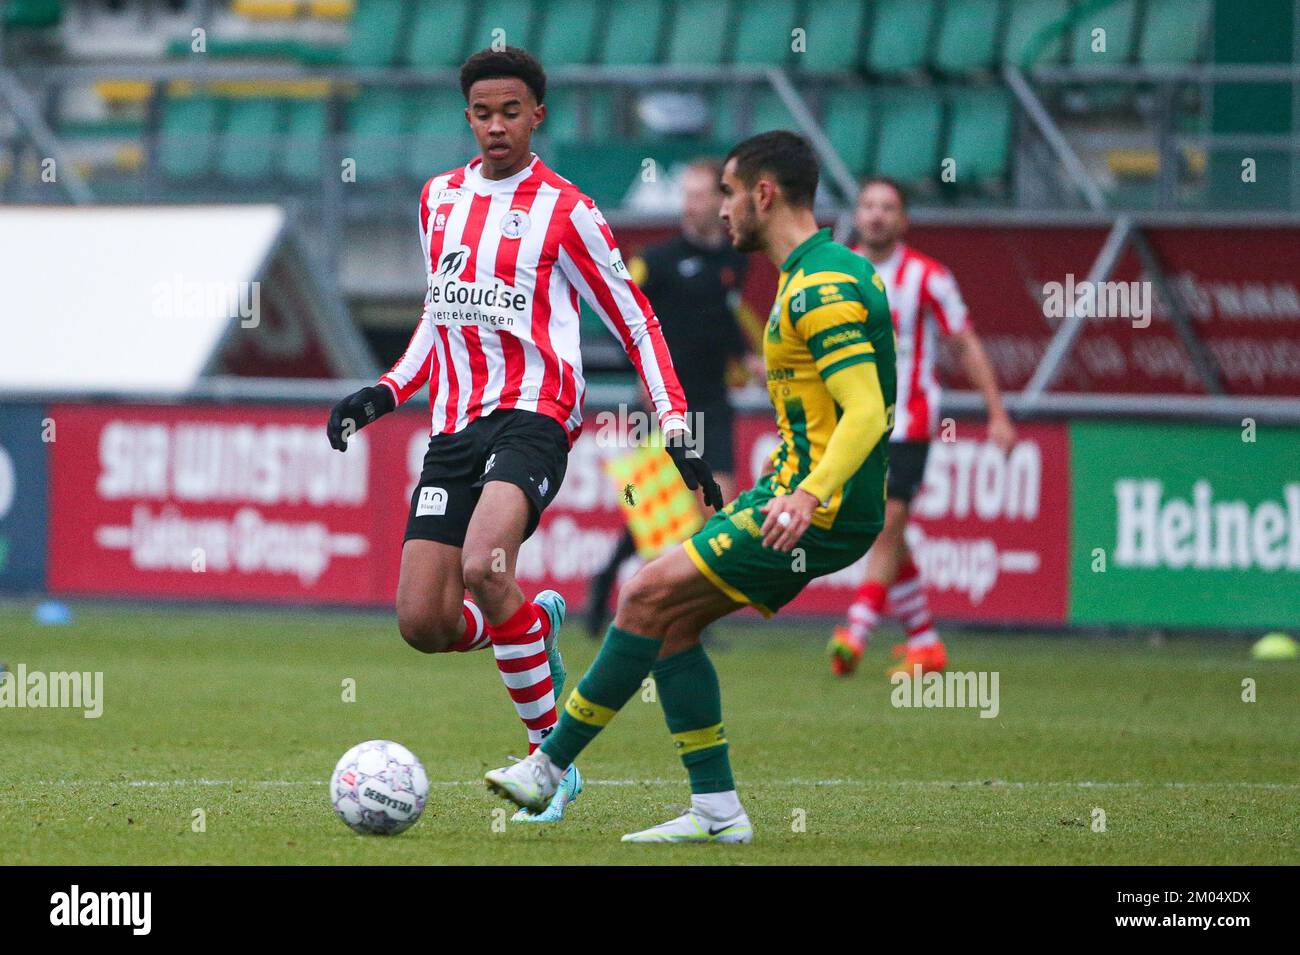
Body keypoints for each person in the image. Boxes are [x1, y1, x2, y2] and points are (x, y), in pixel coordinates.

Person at [324, 47, 721, 823]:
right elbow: (441, 318)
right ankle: (527, 623)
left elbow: (635, 318)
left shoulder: (568, 210)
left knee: (484, 562)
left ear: (538, 115)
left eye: (512, 112)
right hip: (455, 425)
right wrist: (383, 391)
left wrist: (674, 423)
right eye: (483, 112)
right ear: (466, 116)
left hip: (536, 415)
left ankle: (550, 760)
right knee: (423, 623)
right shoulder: (438, 198)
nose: (497, 126)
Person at [484, 131, 896, 844]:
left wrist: (808, 496)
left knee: (643, 591)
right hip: (796, 493)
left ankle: (547, 767)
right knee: (670, 620)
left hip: (809, 505)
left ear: (764, 193)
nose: (723, 209)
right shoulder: (821, 272)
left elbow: (866, 410)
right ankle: (717, 812)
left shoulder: (822, 286)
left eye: (730, 192)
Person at [828, 177, 1017, 678]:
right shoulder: (837, 273)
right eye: (868, 206)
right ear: (857, 214)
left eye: (887, 208)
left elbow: (964, 342)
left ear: (902, 220)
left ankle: (856, 630)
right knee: (884, 528)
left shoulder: (929, 276)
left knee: (888, 522)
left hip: (908, 421)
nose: (875, 215)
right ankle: (926, 642)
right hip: (852, 422)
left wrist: (997, 413)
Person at [584, 157, 752, 638]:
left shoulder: (735, 258)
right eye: (688, 195)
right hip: (663, 401)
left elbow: (724, 319)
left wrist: (746, 360)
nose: (691, 204)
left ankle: (687, 608)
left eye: (701, 195)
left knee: (715, 507)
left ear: (721, 201)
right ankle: (613, 587)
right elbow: (624, 321)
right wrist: (643, 379)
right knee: (656, 513)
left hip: (713, 400)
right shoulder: (655, 260)